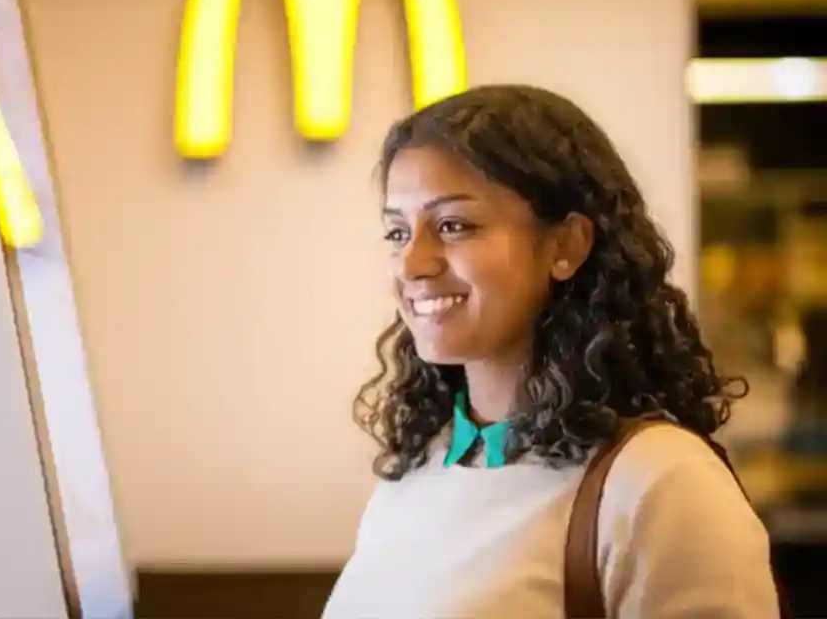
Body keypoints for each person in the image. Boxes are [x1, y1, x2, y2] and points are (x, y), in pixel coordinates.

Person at [322, 85, 781, 618]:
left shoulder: (661, 481)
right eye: (397, 232)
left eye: (453, 226)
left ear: (565, 246)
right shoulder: (419, 470)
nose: (412, 263)